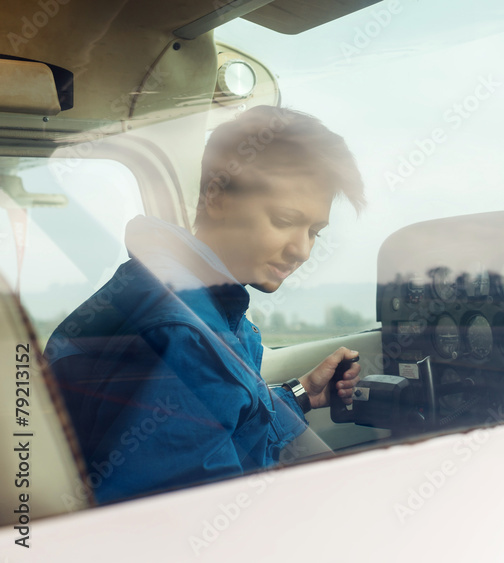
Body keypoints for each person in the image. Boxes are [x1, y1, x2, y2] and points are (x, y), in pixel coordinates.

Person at [43, 105, 364, 505]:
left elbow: (222, 417)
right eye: (284, 220)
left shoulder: (184, 295)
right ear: (216, 196)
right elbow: (198, 525)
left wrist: (302, 394)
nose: (301, 250)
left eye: (314, 231)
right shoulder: (184, 333)